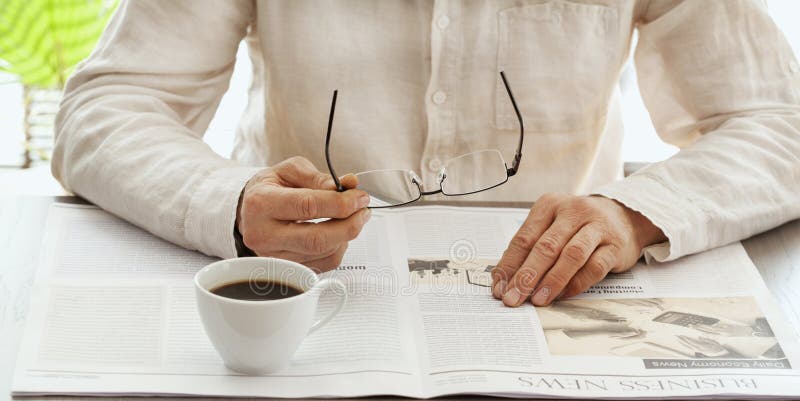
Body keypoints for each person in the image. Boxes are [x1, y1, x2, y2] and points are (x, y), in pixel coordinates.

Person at [52, 1, 800, 308]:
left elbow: (779, 122)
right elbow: (108, 107)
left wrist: (635, 215)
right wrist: (230, 203)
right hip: (296, 300)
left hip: (565, 305)